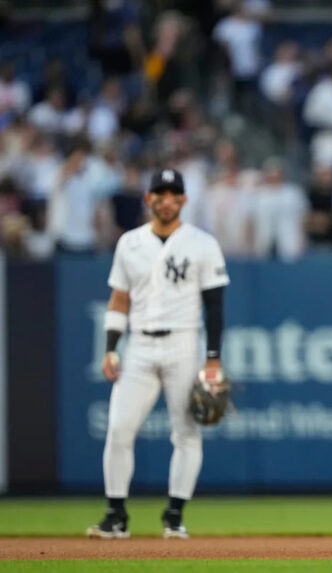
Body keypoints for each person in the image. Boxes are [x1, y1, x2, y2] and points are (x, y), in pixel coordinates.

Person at [87, 168, 230, 539]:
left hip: (183, 342)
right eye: (159, 194)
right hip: (139, 345)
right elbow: (119, 299)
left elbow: (214, 305)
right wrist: (110, 348)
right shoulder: (129, 243)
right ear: (148, 199)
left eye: (173, 194)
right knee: (119, 429)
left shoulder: (202, 243)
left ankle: (174, 515)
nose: (167, 200)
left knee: (186, 433)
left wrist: (213, 357)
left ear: (183, 200)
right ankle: (116, 515)